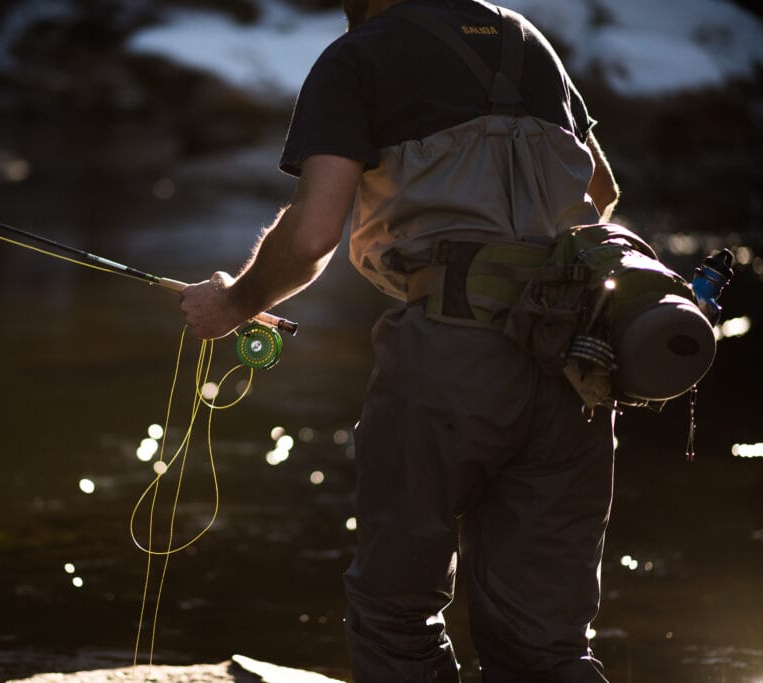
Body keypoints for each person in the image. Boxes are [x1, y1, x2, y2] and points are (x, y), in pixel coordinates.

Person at [180, 0, 621, 680]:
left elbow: (311, 236)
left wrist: (234, 303)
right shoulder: (528, 43)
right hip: (577, 360)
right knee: (550, 643)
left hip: (448, 353)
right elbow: (603, 190)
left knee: (398, 615)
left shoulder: (357, 57)